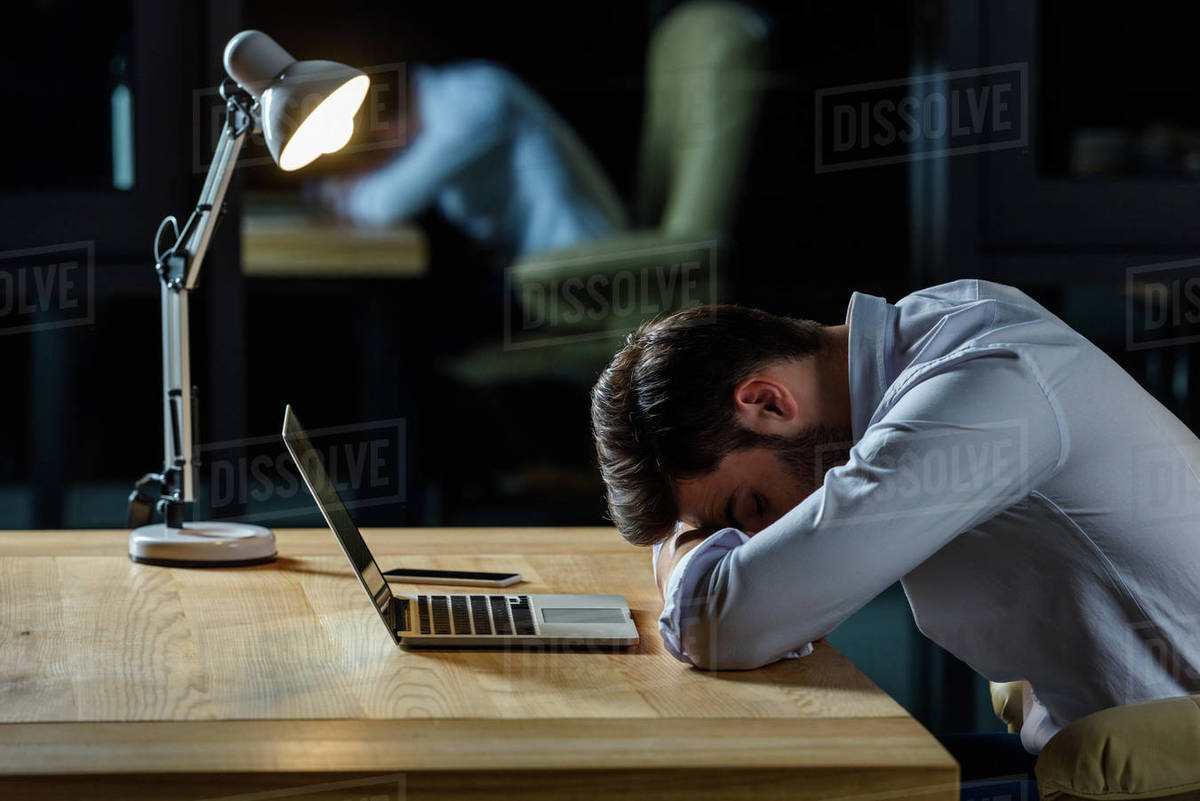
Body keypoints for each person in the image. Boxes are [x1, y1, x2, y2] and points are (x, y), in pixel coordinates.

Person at [590, 279, 1200, 761]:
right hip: (1084, 745)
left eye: (749, 510)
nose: (758, 541)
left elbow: (723, 626)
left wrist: (696, 558)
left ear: (767, 402)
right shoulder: (942, 329)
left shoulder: (986, 388)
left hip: (1160, 772)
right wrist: (698, 542)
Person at [319, 60, 628, 265]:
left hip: (579, 265)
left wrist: (350, 193)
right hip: (530, 269)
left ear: (390, 129)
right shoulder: (440, 110)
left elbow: (388, 204)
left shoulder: (472, 95)